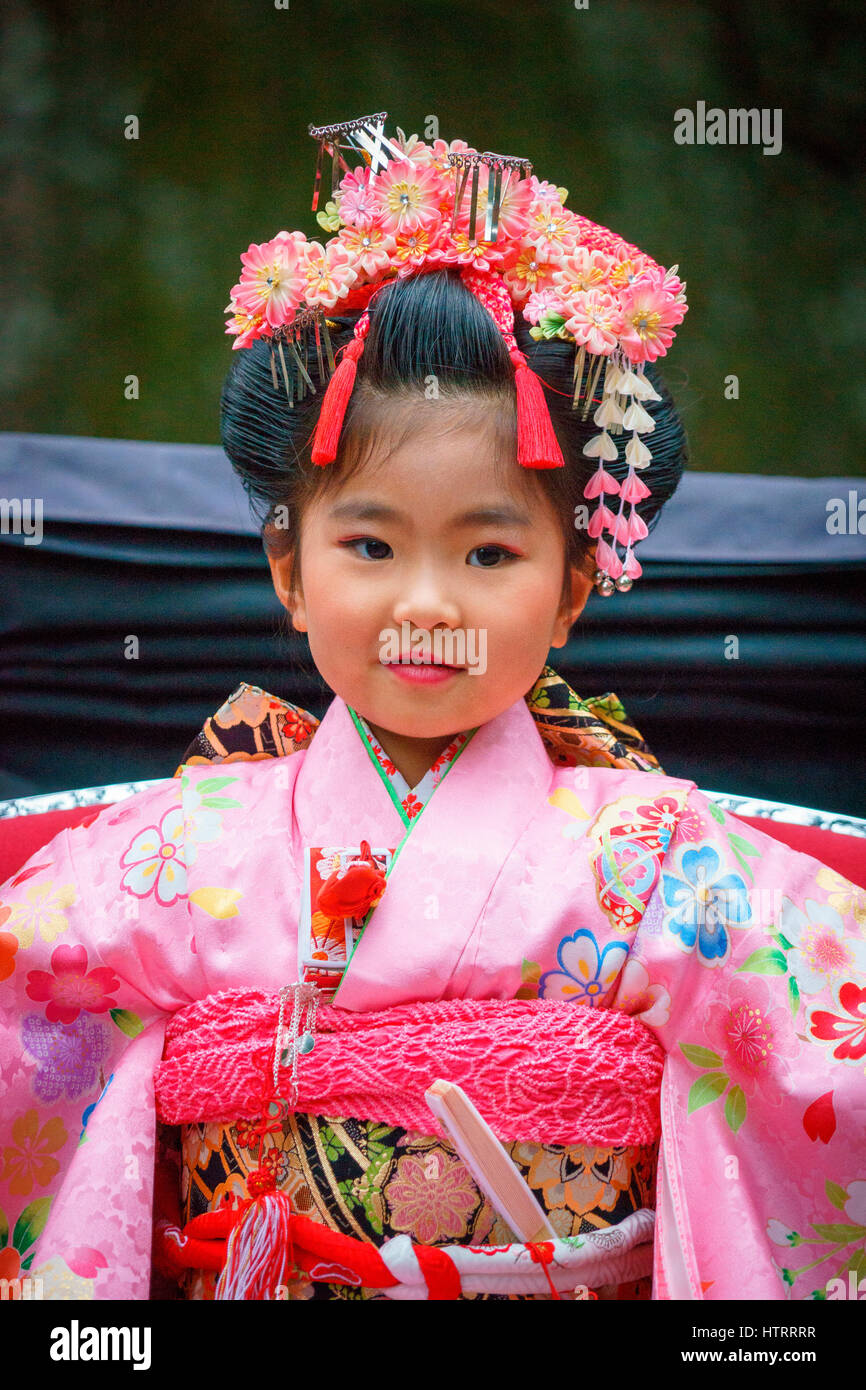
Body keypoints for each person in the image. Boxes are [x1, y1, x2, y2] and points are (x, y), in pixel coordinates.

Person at [1, 122, 863, 1303]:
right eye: (367, 542)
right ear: (289, 573)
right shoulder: (177, 854)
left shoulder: (654, 860)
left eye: (488, 550)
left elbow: (832, 1061)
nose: (424, 601)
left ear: (568, 590)